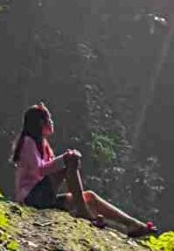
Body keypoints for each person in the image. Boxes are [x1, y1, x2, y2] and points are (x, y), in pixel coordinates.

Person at [11, 102, 156, 238]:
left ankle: (132, 224)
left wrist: (64, 159)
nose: (52, 122)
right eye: (49, 118)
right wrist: (65, 159)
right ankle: (84, 213)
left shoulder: (43, 144)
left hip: (44, 196)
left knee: (90, 197)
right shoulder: (28, 142)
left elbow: (50, 169)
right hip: (31, 198)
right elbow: (40, 171)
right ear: (41, 122)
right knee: (70, 161)